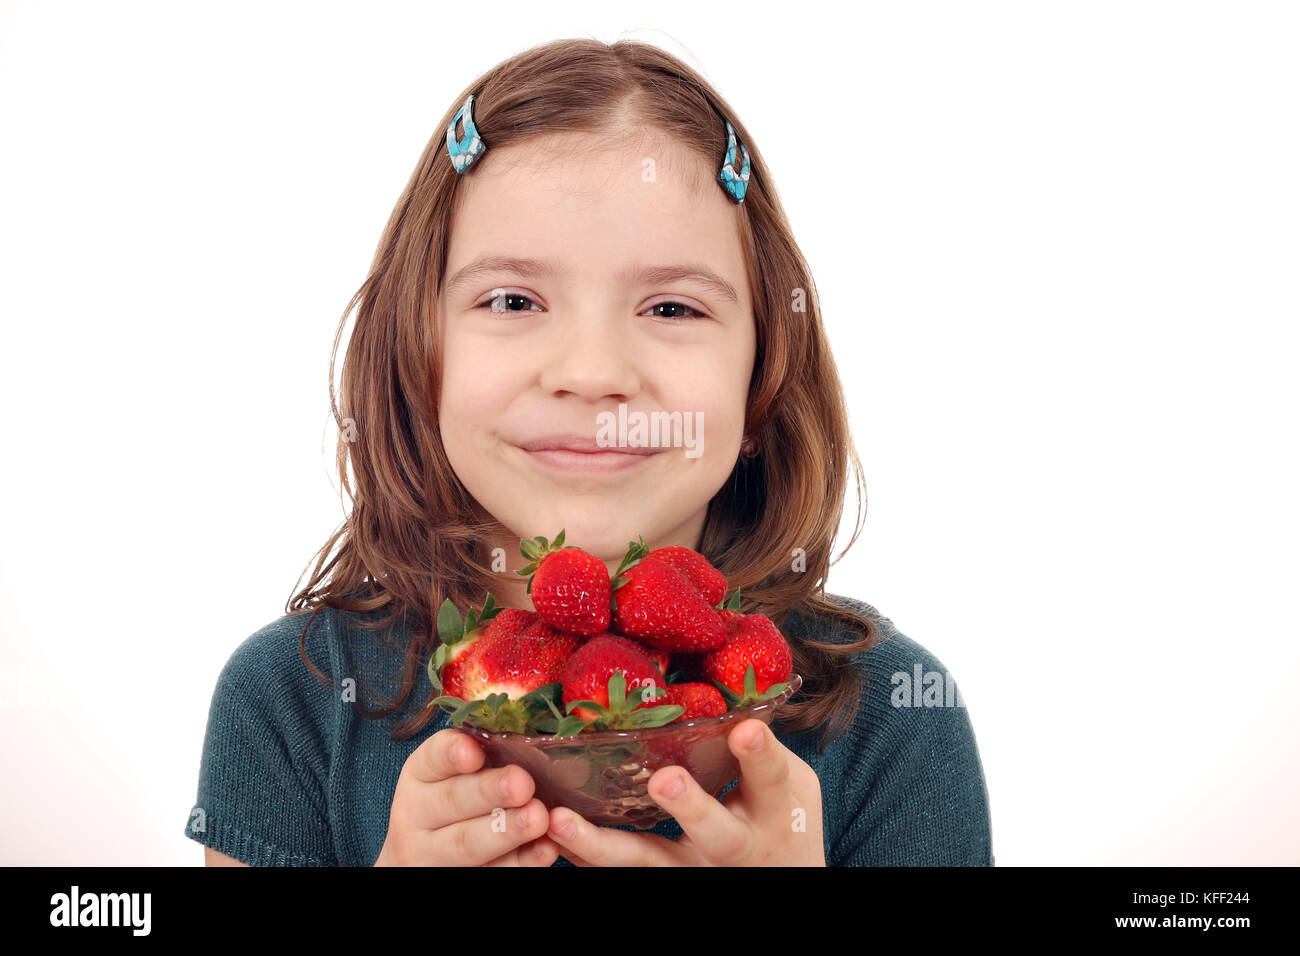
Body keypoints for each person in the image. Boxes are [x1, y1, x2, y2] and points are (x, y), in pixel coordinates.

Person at [183, 37, 993, 867]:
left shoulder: (896, 719)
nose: (592, 373)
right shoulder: (289, 700)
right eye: (513, 299)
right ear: (415, 355)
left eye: (673, 309)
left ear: (763, 381)